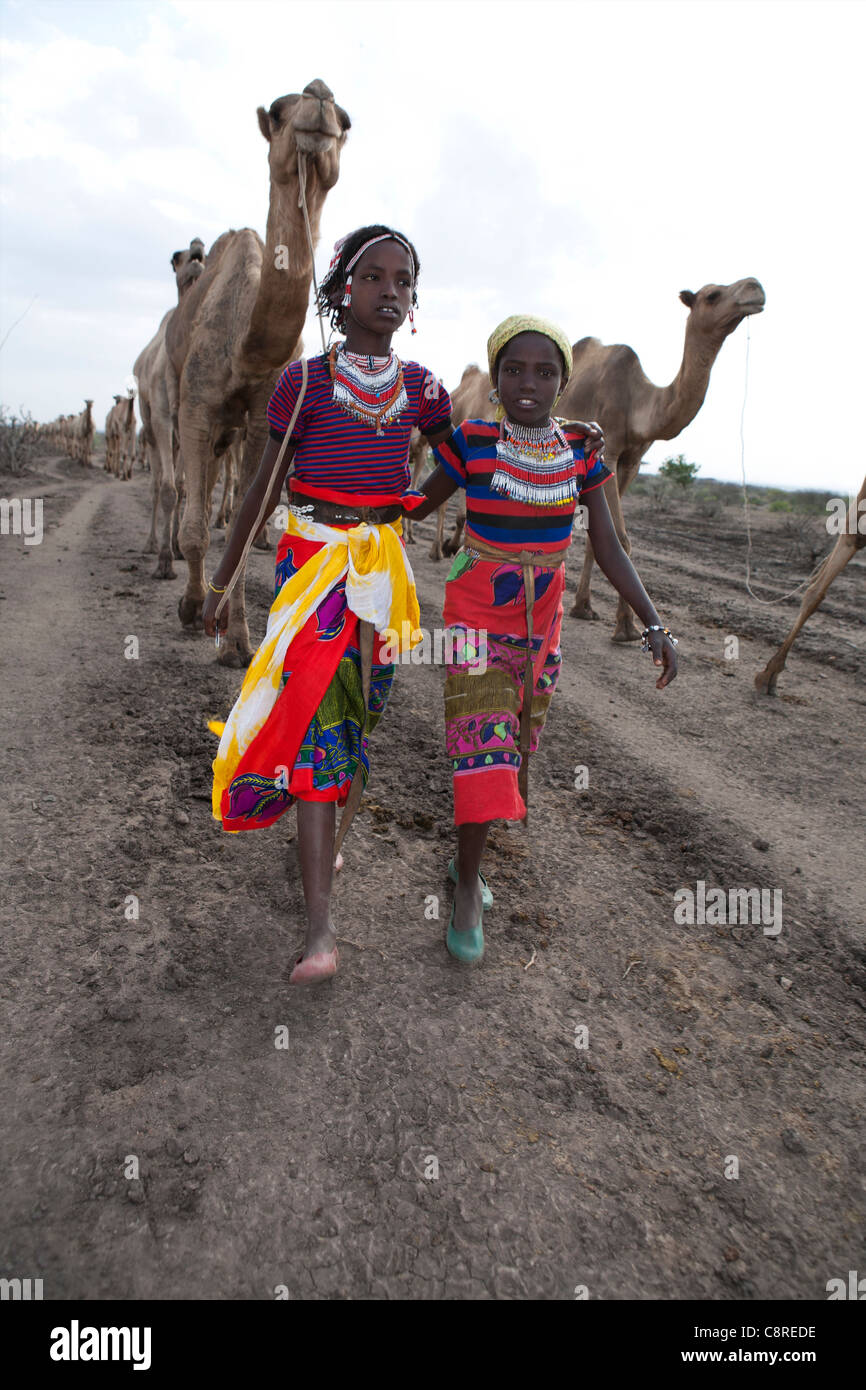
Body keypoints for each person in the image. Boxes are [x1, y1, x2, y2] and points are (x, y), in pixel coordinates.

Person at [202, 225, 453, 984]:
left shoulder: (423, 390)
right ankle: (321, 933)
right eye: (372, 276)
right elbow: (263, 486)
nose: (389, 290)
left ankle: (321, 837)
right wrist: (220, 583)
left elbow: (464, 455)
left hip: (380, 580)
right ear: (340, 290)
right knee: (314, 725)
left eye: (402, 280)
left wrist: (413, 502)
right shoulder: (303, 382)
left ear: (412, 301)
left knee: (356, 717)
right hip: (312, 573)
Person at [402, 315, 678, 963]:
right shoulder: (470, 441)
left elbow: (607, 546)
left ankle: (465, 854)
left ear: (562, 383)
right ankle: (468, 884)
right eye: (515, 370)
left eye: (545, 372)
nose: (529, 382)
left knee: (518, 737)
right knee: (485, 742)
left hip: (543, 618)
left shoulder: (582, 451)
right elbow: (412, 507)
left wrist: (654, 622)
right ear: (495, 378)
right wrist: (347, 492)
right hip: (477, 613)